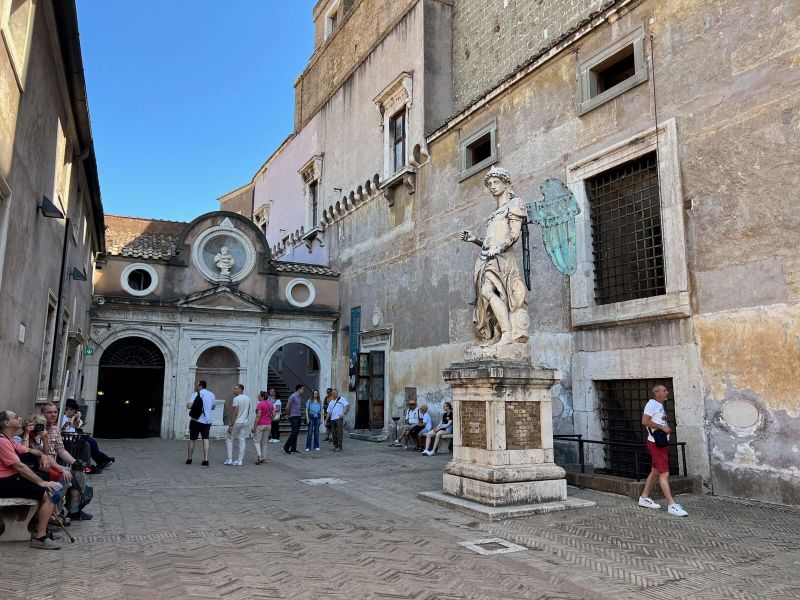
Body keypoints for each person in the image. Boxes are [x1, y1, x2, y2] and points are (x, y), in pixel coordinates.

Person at [460, 166, 529, 346]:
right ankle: (497, 336)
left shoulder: (514, 204)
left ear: (507, 184)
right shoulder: (494, 213)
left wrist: (497, 250)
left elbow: (514, 235)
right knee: (486, 299)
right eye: (489, 183)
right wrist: (475, 240)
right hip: (488, 259)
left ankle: (507, 334)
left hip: (503, 260)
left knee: (487, 291)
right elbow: (490, 243)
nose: (492, 186)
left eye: (496, 182)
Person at [0, 410, 63, 549]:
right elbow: (20, 466)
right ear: (6, 423)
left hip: (12, 480)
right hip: (5, 483)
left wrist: (42, 455)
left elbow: (27, 450)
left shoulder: (8, 439)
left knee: (49, 485)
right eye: (16, 417)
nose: (20, 418)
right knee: (50, 494)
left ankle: (39, 528)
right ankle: (40, 537)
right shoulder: (2, 441)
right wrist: (41, 482)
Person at [638, 385, 688, 517]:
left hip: (660, 443)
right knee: (664, 474)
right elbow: (645, 421)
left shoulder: (659, 405)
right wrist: (662, 427)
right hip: (656, 444)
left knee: (655, 471)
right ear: (657, 393)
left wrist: (665, 429)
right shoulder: (652, 404)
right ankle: (672, 505)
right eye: (664, 390)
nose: (667, 392)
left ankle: (644, 497)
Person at [63, 399, 114, 470]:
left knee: (92, 441)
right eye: (73, 412)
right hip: (71, 438)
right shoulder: (63, 418)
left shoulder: (67, 418)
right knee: (88, 443)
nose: (73, 414)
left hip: (73, 436)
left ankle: (103, 459)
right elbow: (65, 430)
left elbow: (68, 429)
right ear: (69, 409)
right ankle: (102, 460)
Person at [186, 380, 216, 466]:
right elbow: (213, 407)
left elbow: (189, 406)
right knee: (205, 439)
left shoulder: (195, 394)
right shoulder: (211, 394)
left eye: (197, 384)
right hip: (207, 421)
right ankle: (205, 460)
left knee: (192, 439)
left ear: (200, 386)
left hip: (196, 420)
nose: (196, 386)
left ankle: (189, 459)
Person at [225, 384, 251, 466]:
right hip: (244, 422)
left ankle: (229, 459)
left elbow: (235, 412)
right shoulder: (248, 398)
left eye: (235, 388)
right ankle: (240, 460)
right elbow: (248, 410)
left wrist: (231, 424)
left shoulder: (236, 399)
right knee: (242, 441)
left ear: (240, 389)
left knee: (229, 439)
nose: (233, 390)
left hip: (237, 422)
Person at [252, 391, 273, 465]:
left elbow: (258, 416)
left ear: (262, 397)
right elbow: (273, 414)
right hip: (268, 424)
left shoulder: (260, 404)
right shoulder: (270, 403)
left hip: (261, 424)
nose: (258, 396)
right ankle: (264, 458)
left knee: (256, 441)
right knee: (264, 442)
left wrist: (254, 427)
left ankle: (259, 456)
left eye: (259, 395)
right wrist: (270, 419)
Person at [283, 384, 304, 455]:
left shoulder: (299, 397)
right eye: (302, 389)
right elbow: (287, 406)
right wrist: (287, 414)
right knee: (294, 432)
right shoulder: (292, 396)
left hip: (298, 416)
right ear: (298, 389)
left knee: (296, 433)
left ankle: (293, 449)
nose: (303, 390)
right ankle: (286, 447)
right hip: (293, 416)